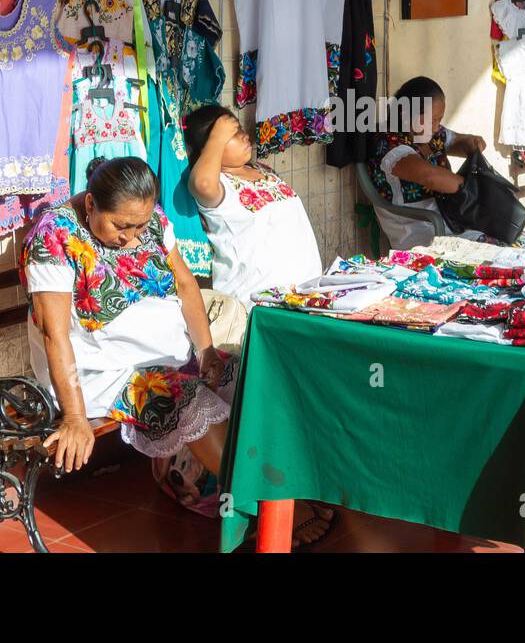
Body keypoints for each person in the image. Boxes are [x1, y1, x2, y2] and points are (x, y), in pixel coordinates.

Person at [21, 155, 333, 547]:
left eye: (138, 226)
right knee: (185, 399)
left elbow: (186, 286)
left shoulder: (148, 218)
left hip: (161, 350)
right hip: (98, 372)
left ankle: (281, 487)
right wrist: (74, 416)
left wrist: (206, 353)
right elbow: (54, 334)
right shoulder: (54, 238)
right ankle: (265, 506)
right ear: (90, 206)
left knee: (244, 375)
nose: (132, 237)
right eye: (121, 226)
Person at [185, 104, 323, 309]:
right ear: (210, 147)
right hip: (259, 306)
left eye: (241, 129)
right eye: (234, 133)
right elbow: (202, 184)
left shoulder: (263, 170)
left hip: (305, 297)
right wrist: (217, 137)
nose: (245, 136)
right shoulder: (221, 186)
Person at [365, 76, 489, 250]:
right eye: (433, 120)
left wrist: (471, 143)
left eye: (440, 119)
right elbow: (430, 176)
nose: (437, 126)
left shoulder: (429, 134)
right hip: (418, 231)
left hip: (448, 221)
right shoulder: (389, 145)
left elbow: (457, 141)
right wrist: (475, 189)